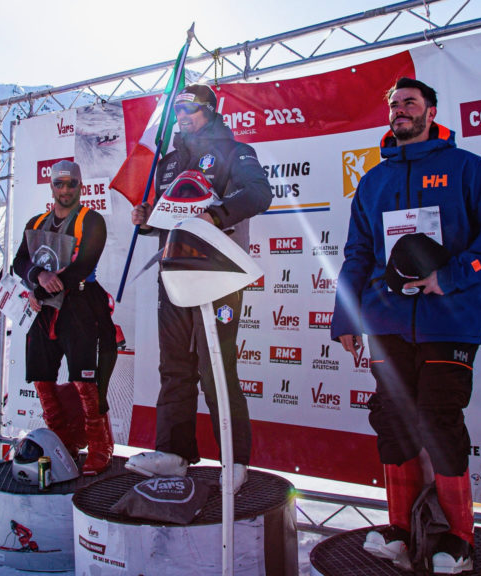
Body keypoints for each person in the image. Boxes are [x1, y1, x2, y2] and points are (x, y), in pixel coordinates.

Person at [331, 77, 481, 573]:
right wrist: (346, 317)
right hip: (386, 322)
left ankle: (458, 539)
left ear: (431, 112)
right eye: (394, 104)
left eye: (410, 103)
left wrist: (454, 275)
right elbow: (357, 254)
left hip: (450, 321)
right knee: (391, 423)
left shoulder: (465, 167)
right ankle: (398, 529)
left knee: (439, 421)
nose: (400, 110)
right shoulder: (373, 181)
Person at [127, 84, 272, 493]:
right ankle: (173, 453)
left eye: (189, 107)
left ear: (209, 110)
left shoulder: (234, 151)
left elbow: (260, 194)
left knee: (217, 367)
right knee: (174, 366)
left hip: (217, 274)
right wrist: (147, 217)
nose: (182, 114)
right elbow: (171, 213)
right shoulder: (170, 160)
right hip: (173, 272)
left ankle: (234, 460)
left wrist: (218, 214)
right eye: (177, 108)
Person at [12, 160, 118, 476]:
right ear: (52, 187)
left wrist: (39, 289)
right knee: (41, 376)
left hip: (83, 304)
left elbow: (82, 266)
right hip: (47, 309)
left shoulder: (92, 220)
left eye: (72, 183)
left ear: (81, 186)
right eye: (60, 184)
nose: (66, 190)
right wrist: (37, 277)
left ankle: (101, 447)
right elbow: (19, 262)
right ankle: (63, 442)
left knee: (85, 378)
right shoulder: (37, 221)